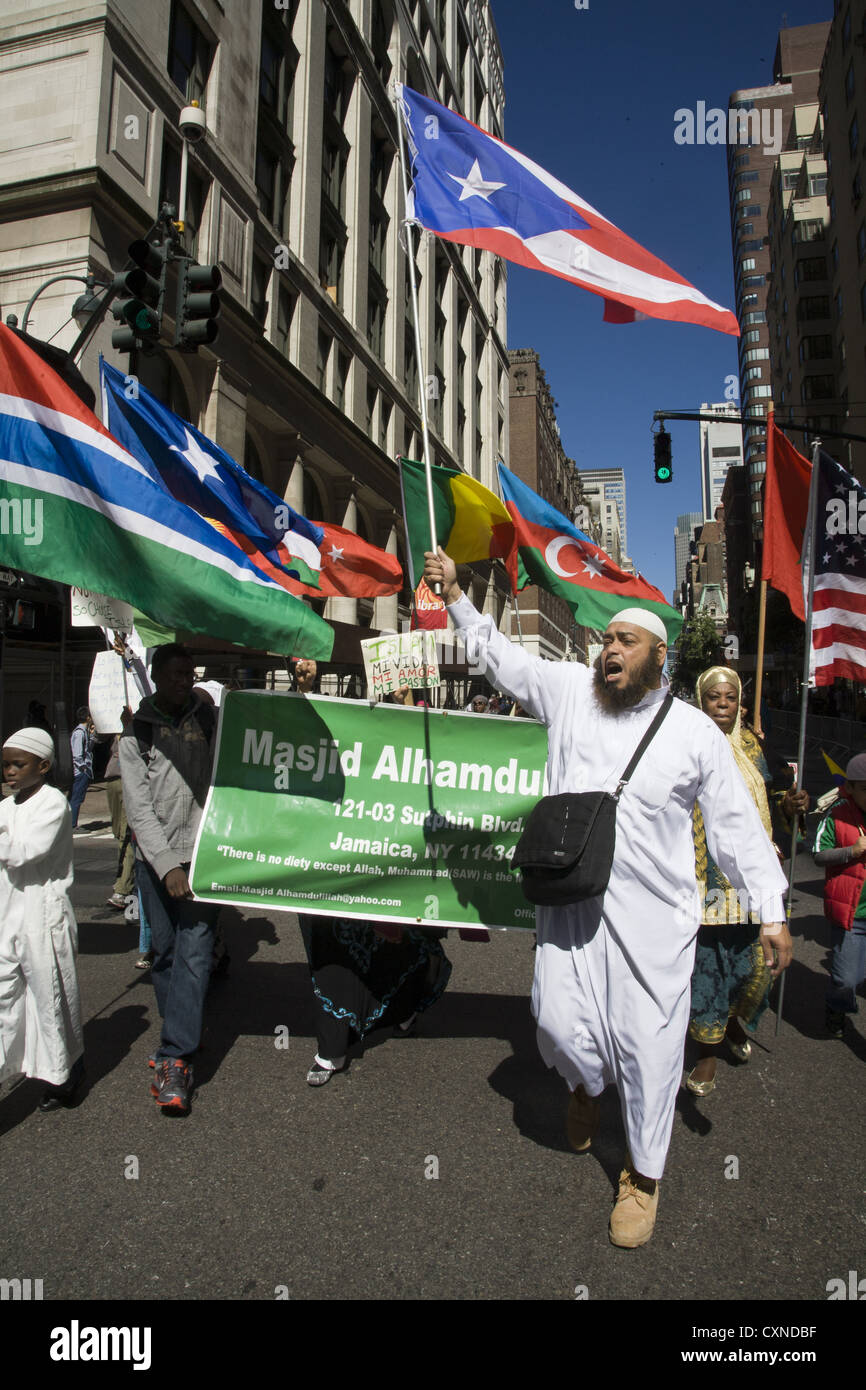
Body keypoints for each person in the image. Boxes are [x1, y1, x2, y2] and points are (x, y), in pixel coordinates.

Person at [423, 547, 790, 1249]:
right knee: (556, 1025)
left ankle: (642, 1177)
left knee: (651, 1053)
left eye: (625, 642)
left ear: (658, 657)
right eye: (607, 641)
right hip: (571, 909)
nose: (609, 651)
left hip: (656, 925)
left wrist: (771, 909)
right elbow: (502, 660)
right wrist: (458, 597)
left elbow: (739, 826)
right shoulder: (567, 692)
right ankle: (588, 1085)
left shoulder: (692, 734)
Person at [294, 664, 452, 1086]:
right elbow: (296, 742)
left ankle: (402, 1009)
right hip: (333, 866)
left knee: (397, 948)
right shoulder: (340, 731)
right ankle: (331, 1050)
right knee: (332, 955)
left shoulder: (413, 734)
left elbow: (431, 768)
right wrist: (303, 689)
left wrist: (405, 707)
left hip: (387, 865)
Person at [686, 668, 806, 1095]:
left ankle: (733, 1022)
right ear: (701, 701)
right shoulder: (686, 743)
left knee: (754, 968)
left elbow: (774, 803)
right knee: (709, 970)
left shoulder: (756, 747)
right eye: (714, 696)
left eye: (731, 697)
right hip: (706, 879)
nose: (723, 703)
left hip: (752, 887)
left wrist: (790, 805)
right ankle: (705, 1055)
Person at [119, 643, 218, 1114]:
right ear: (156, 676)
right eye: (175, 674)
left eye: (189, 673)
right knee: (165, 954)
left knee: (195, 953)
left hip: (203, 860)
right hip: (157, 862)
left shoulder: (210, 721)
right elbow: (138, 807)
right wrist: (166, 865)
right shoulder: (137, 731)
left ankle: (176, 1058)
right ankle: (174, 1031)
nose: (184, 680)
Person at [0, 728, 85, 1111]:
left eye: (18, 764)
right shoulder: (5, 808)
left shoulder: (54, 803)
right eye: (5, 765)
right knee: (4, 995)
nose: (10, 772)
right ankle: (11, 1065)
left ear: (43, 765)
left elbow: (24, 853)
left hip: (42, 913)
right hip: (7, 911)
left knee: (50, 995)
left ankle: (63, 1075)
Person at [813, 752, 866, 1038]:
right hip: (851, 914)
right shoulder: (837, 814)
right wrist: (853, 852)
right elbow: (819, 854)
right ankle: (836, 1006)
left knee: (859, 976)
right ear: (852, 788)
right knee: (847, 979)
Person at [104, 734, 136, 911]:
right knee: (118, 833)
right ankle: (126, 878)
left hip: (127, 779)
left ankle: (122, 888)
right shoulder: (115, 729)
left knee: (126, 836)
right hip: (113, 779)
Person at [68, 706, 94, 830]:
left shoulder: (84, 732)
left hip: (83, 771)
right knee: (76, 798)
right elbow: (77, 755)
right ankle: (72, 825)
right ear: (88, 717)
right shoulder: (79, 733)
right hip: (80, 772)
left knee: (77, 797)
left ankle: (72, 823)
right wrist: (84, 769)